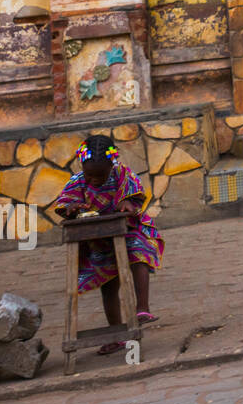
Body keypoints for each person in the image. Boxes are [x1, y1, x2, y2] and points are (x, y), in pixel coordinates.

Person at [54, 135, 165, 355]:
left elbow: (136, 199)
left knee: (139, 254)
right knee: (108, 287)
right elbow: (64, 204)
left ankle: (142, 308)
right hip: (99, 242)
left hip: (128, 232)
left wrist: (127, 203)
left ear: (111, 165)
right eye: (90, 175)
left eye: (100, 175)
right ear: (82, 166)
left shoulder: (122, 175)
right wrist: (72, 208)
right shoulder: (78, 181)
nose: (95, 180)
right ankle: (117, 335)